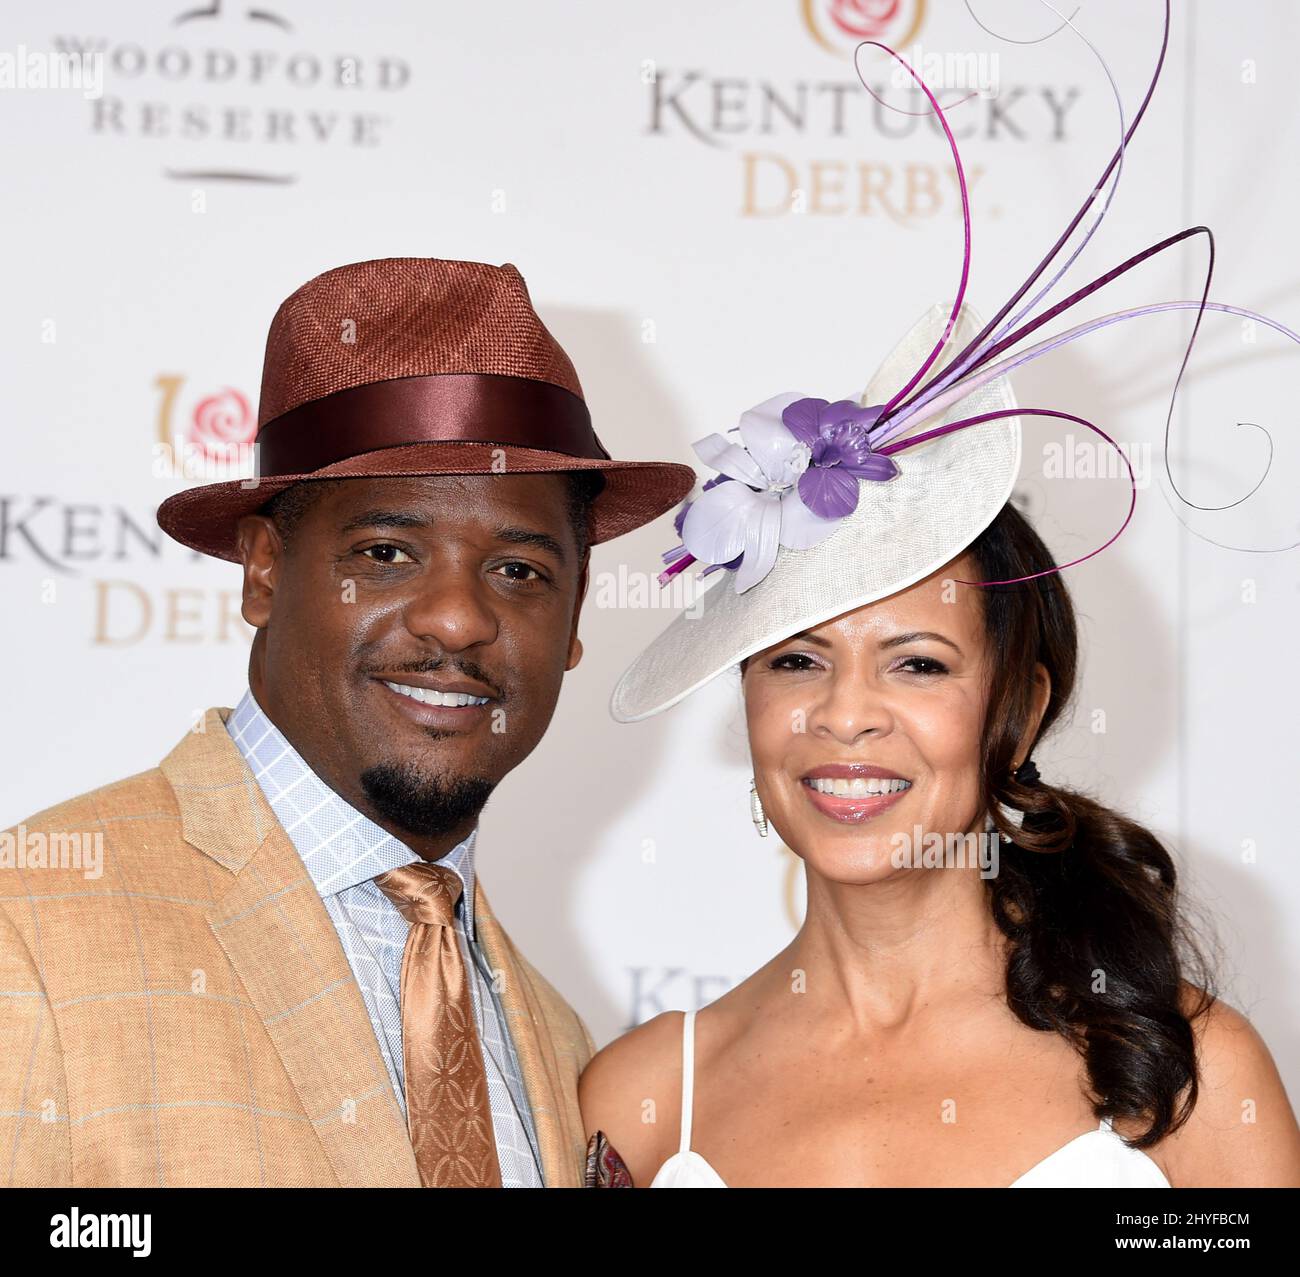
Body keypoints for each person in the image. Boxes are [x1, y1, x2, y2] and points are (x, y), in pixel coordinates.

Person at [578, 4, 1300, 1188]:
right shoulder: (645, 1096)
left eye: (916, 661)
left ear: (1014, 701)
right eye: (795, 659)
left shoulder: (1181, 1078)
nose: (844, 713)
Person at [0, 255, 693, 1188]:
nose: (458, 618)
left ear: (574, 624)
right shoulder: (30, 933)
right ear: (264, 570)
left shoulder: (559, 1040)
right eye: (388, 551)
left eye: (520, 570)